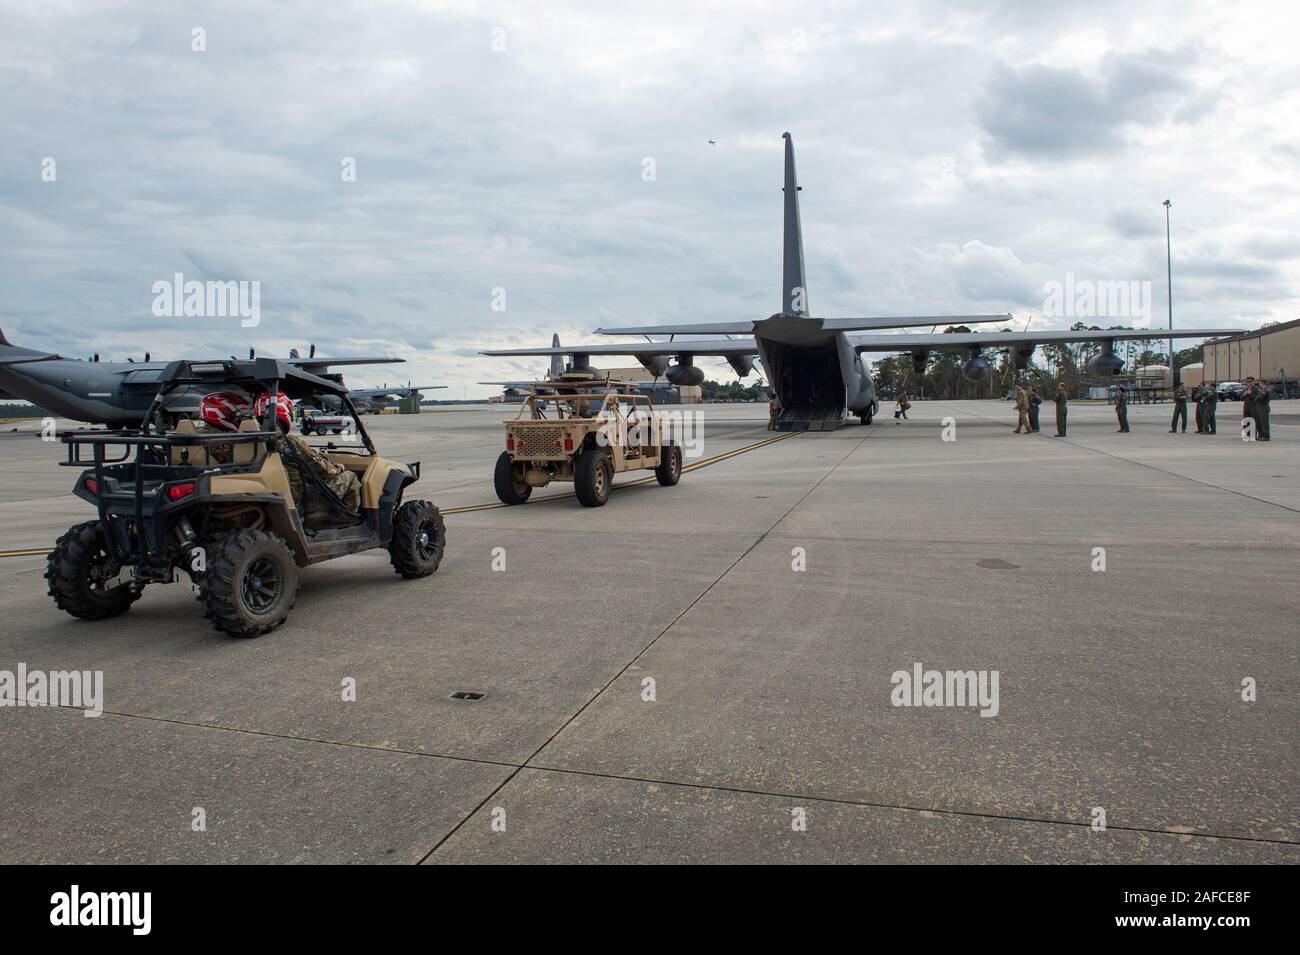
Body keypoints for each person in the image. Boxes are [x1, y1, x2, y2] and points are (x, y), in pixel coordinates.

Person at [253, 391, 361, 511]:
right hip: (300, 503)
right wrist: (339, 468)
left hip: (268, 500)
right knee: (351, 477)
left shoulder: (251, 443)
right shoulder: (290, 442)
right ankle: (344, 518)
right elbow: (327, 471)